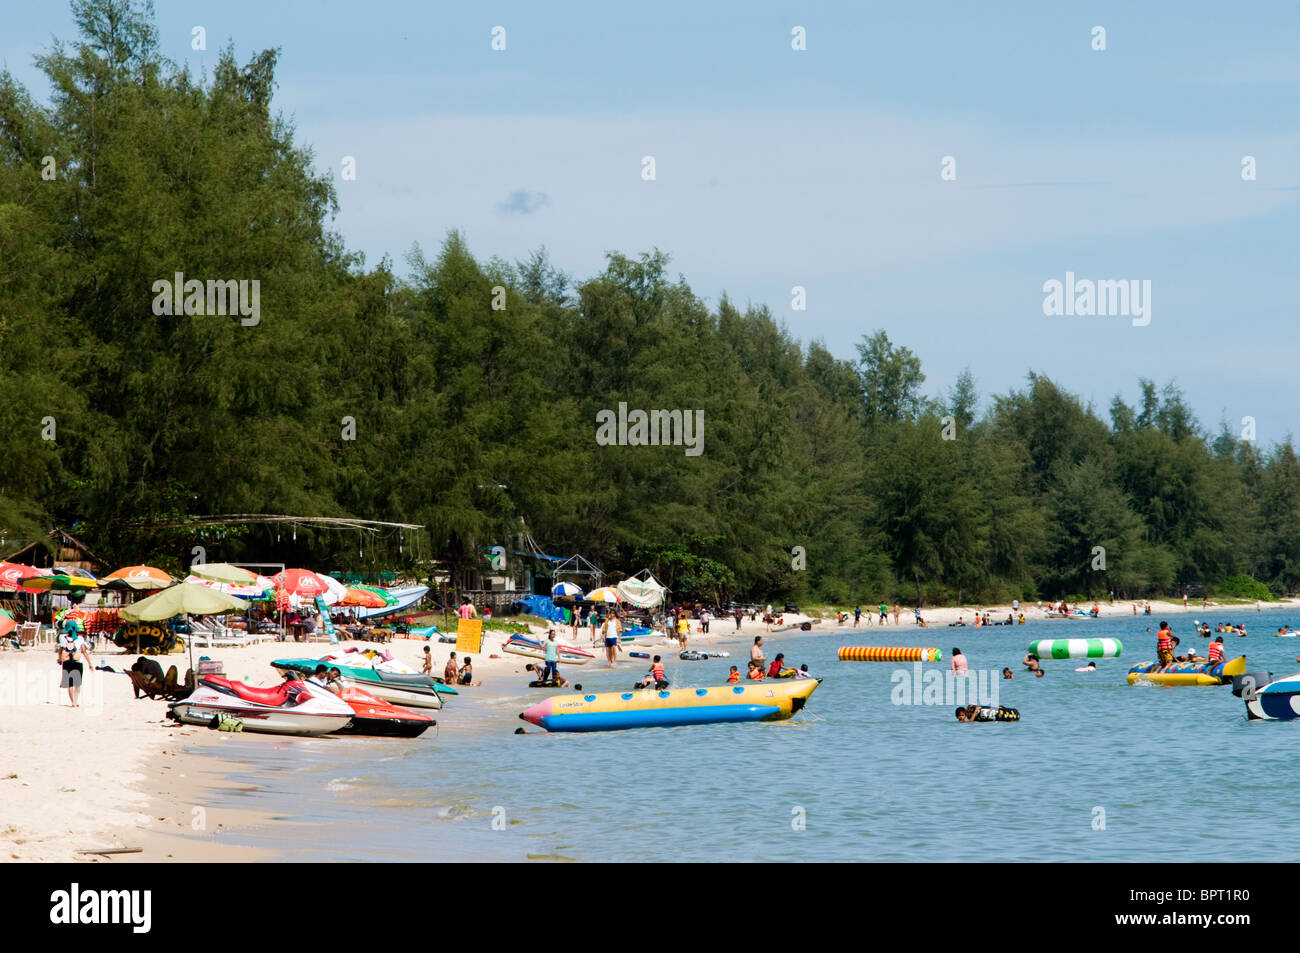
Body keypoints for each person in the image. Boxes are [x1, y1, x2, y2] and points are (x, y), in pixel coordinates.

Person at [56, 619, 92, 707]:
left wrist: (60, 659)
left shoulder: (62, 638)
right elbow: (83, 651)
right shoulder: (80, 639)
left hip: (67, 661)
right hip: (78, 662)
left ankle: (73, 702)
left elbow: (60, 650)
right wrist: (90, 663)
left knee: (69, 684)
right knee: (77, 683)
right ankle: (75, 700)